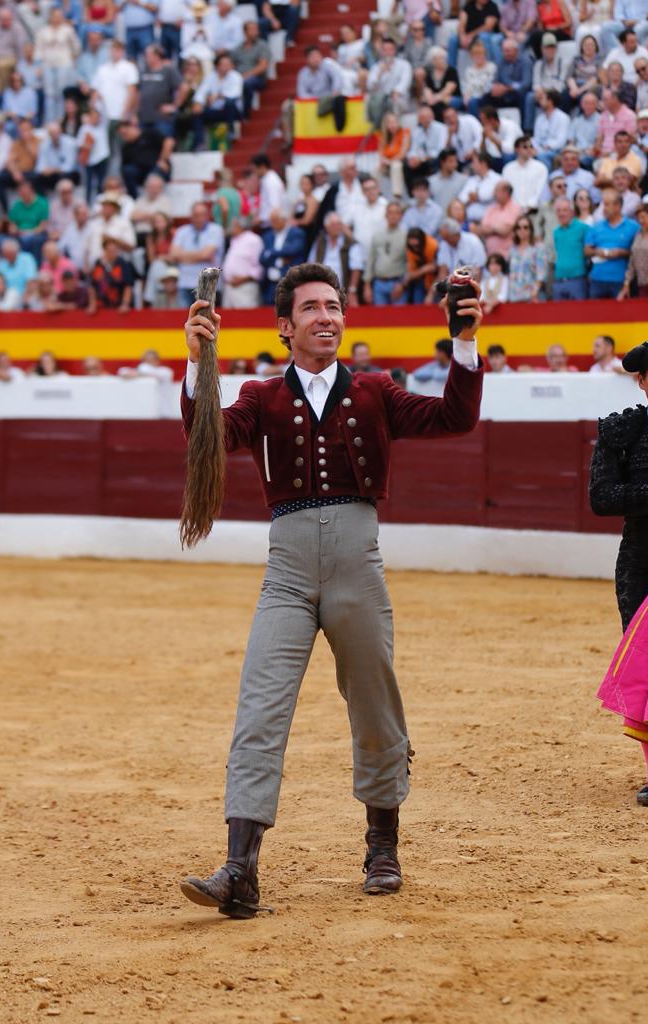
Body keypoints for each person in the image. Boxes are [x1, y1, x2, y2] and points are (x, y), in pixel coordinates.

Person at [178, 262, 484, 915]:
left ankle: (382, 847)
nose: (327, 317)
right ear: (284, 326)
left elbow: (454, 418)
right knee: (260, 707)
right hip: (285, 571)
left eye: (334, 306)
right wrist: (197, 365)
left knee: (375, 705)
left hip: (355, 564)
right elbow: (208, 436)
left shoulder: (375, 389)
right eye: (312, 308)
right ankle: (240, 868)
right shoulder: (260, 397)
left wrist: (462, 343)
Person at [592, 339, 648, 806]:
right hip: (643, 562)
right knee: (646, 662)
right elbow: (601, 498)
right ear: (640, 381)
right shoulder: (620, 431)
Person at [584, 187, 639, 298]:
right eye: (604, 205)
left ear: (618, 206)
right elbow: (586, 251)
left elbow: (638, 252)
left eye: (607, 205)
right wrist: (598, 252)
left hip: (622, 280)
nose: (604, 209)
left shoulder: (633, 226)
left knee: (622, 315)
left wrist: (621, 253)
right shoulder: (596, 226)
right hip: (597, 279)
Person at [170, 201, 225, 308]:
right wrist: (199, 255)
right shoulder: (182, 231)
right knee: (185, 322)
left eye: (202, 215)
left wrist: (183, 256)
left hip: (208, 285)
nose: (199, 218)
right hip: (185, 283)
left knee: (207, 322)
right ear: (191, 216)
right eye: (196, 215)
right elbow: (173, 254)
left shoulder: (216, 230)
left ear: (207, 215)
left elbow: (207, 254)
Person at [618, 202, 648, 299]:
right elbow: (633, 259)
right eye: (639, 218)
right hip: (642, 283)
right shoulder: (639, 232)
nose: (640, 221)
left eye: (644, 217)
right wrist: (626, 283)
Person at [552, 195, 590, 299]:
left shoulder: (584, 228)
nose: (561, 213)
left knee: (579, 314)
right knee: (558, 314)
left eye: (565, 210)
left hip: (577, 280)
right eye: (559, 210)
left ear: (572, 212)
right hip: (558, 280)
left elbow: (590, 253)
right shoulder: (556, 232)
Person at [508, 215, 546, 301]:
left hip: (532, 296)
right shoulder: (512, 250)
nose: (522, 230)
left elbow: (541, 273)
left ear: (531, 230)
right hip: (514, 297)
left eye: (525, 227)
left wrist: (535, 292)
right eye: (518, 227)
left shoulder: (538, 248)